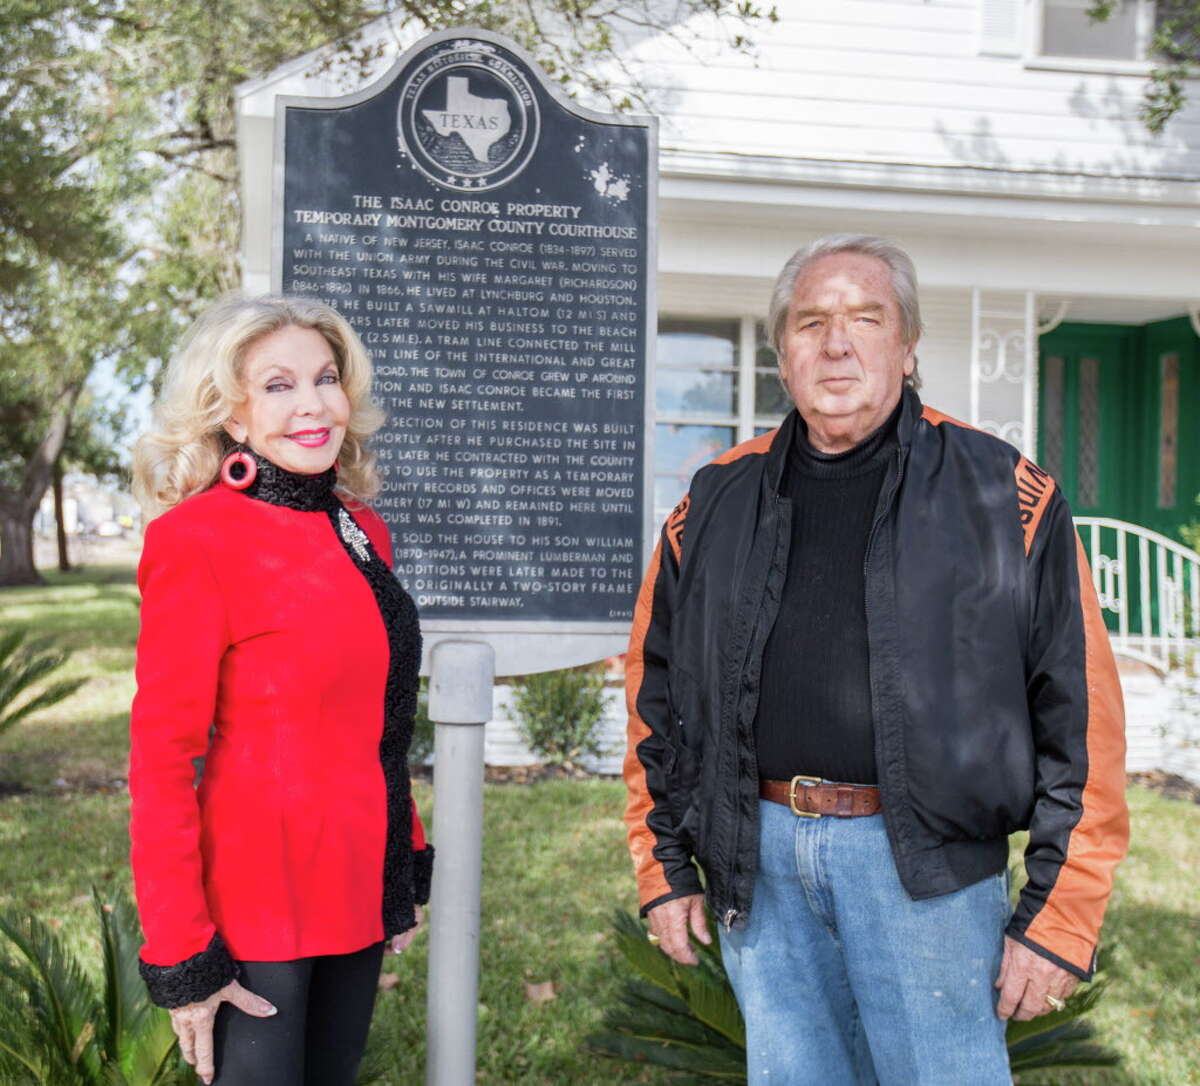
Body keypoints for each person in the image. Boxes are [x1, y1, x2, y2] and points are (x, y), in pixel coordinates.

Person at [623, 235, 1128, 1083]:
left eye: (866, 317)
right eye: (811, 321)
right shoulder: (710, 502)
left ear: (908, 342)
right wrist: (665, 869)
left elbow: (1083, 719)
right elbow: (655, 695)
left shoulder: (1004, 493)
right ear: (782, 351)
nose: (837, 342)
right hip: (761, 865)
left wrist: (1060, 917)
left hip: (927, 877)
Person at [129, 295, 431, 1086]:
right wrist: (182, 951)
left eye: (325, 379)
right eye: (277, 385)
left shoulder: (358, 527)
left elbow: (378, 721)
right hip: (251, 908)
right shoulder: (194, 540)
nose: (313, 405)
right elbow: (161, 758)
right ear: (230, 415)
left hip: (353, 886)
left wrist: (405, 859)